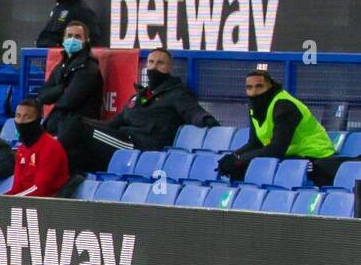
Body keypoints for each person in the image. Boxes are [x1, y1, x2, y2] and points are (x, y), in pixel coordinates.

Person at [67, 47, 218, 171]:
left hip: (140, 147)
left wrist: (207, 120)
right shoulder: (139, 96)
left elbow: (192, 111)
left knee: (78, 129)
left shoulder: (177, 93)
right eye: (151, 62)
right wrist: (83, 121)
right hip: (123, 139)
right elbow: (112, 123)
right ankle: (73, 178)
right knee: (73, 124)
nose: (154, 66)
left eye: (160, 63)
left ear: (169, 68)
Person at [217, 70, 351, 186]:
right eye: (249, 87)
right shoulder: (255, 108)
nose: (254, 92)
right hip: (291, 155)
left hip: (314, 156)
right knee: (238, 167)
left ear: (270, 86)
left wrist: (240, 160)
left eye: (259, 86)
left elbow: (277, 148)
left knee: (246, 165)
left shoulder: (284, 106)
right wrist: (233, 156)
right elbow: (255, 143)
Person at [36, 19, 102, 168]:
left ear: (86, 40)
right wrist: (61, 88)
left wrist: (57, 93)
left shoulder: (88, 67)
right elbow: (42, 95)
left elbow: (69, 101)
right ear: (63, 39)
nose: (73, 39)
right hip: (58, 125)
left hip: (77, 131)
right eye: (69, 35)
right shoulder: (62, 65)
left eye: (78, 37)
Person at [7, 98, 69, 197]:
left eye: (27, 117)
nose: (21, 121)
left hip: (46, 205)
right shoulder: (22, 149)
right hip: (22, 202)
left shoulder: (50, 147)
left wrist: (13, 199)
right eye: (18, 116)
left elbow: (40, 188)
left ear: (38, 119)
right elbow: (17, 187)